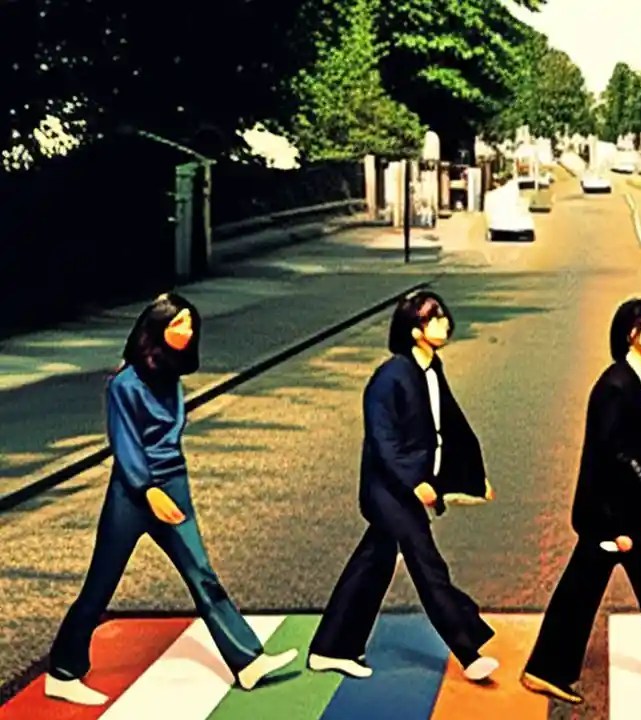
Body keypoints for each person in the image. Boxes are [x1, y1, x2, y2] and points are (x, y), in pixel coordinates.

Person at [45, 293, 296, 706]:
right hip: (133, 494)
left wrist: (169, 486)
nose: (188, 331)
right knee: (101, 583)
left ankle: (247, 661)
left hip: (173, 483)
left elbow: (169, 439)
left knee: (201, 572)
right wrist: (149, 491)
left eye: (191, 324)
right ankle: (63, 670)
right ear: (156, 328)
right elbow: (125, 448)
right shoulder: (124, 384)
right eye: (178, 323)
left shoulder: (172, 378)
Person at [521, 298, 641, 704]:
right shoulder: (615, 385)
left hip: (630, 509)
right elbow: (609, 457)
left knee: (631, 584)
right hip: (612, 513)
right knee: (618, 586)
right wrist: (617, 525)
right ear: (632, 334)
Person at [308, 290, 498, 682]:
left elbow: (449, 430)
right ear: (415, 331)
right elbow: (383, 442)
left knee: (371, 565)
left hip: (404, 488)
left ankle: (331, 648)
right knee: (427, 565)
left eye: (443, 315)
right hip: (387, 491)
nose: (446, 322)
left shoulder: (432, 369)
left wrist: (473, 481)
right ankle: (467, 648)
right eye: (435, 318)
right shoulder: (390, 377)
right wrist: (416, 485)